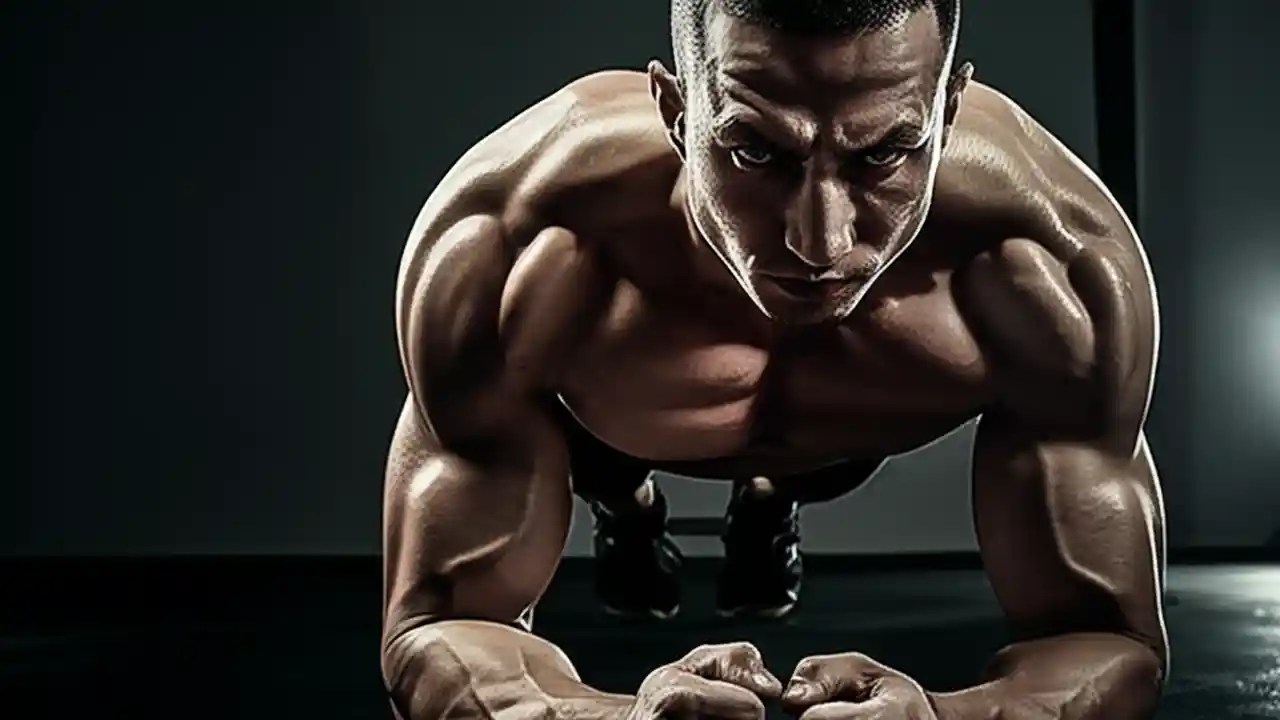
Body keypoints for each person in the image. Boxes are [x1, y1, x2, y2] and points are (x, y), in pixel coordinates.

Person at [380, 0, 1169, 717]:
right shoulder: (516, 245)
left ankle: (768, 501)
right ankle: (628, 508)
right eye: (756, 153)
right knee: (605, 464)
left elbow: (1111, 643)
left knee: (813, 463)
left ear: (949, 109)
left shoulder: (1051, 270)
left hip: (837, 441)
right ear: (676, 111)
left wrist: (942, 717)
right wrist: (618, 719)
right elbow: (435, 629)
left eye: (885, 153)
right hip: (613, 423)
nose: (819, 243)